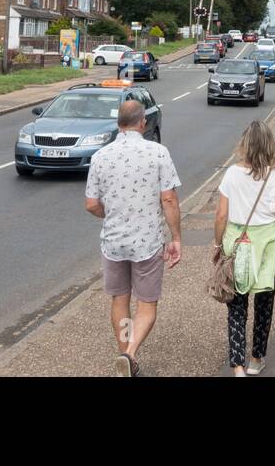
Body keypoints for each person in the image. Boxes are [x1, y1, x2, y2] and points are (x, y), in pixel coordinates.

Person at [84, 99, 182, 377]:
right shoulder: (158, 152)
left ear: (119, 124)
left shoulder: (100, 156)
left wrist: (110, 215)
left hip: (113, 242)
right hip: (147, 242)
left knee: (120, 300)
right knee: (147, 303)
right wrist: (176, 238)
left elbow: (91, 204)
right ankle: (129, 353)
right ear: (142, 123)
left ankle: (124, 354)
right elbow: (169, 199)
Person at [213, 120, 275, 376]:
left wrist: (218, 244)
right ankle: (255, 359)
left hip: (238, 246)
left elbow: (221, 215)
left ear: (245, 145)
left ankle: (237, 366)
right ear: (269, 146)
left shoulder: (231, 174)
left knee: (237, 303)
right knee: (264, 303)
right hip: (268, 249)